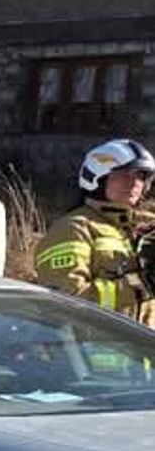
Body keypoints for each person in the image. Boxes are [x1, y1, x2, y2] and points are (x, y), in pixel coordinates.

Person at [36, 138, 155, 326]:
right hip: (91, 353)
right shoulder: (74, 228)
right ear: (98, 178)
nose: (134, 183)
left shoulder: (142, 232)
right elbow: (65, 302)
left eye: (141, 176)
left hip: (142, 352)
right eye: (124, 174)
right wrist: (141, 285)